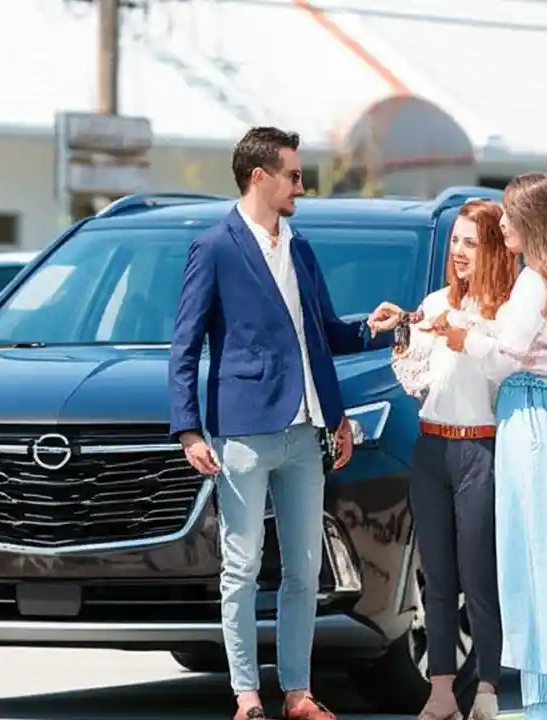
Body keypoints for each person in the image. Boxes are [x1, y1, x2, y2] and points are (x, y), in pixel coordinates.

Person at [168, 126, 391, 720]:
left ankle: (297, 693)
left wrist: (371, 329)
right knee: (240, 566)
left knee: (304, 569)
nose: (302, 185)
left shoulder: (301, 247)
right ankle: (245, 695)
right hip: (242, 430)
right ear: (258, 176)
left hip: (305, 433)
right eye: (293, 174)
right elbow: (184, 346)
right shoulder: (215, 246)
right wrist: (189, 429)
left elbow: (324, 335)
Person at [439, 172, 547, 719]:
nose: (503, 222)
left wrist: (464, 337)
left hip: (531, 422)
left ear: (531, 222)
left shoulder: (535, 280)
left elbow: (507, 353)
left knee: (537, 567)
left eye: (510, 214)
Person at [367, 199, 517, 720]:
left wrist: (468, 334)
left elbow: (506, 376)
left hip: (481, 448)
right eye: (455, 240)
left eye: (470, 242)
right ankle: (440, 692)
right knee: (436, 578)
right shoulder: (434, 303)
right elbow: (417, 381)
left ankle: (487, 690)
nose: (458, 251)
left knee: (479, 576)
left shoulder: (508, 313)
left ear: (494, 248)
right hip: (432, 449)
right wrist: (405, 330)